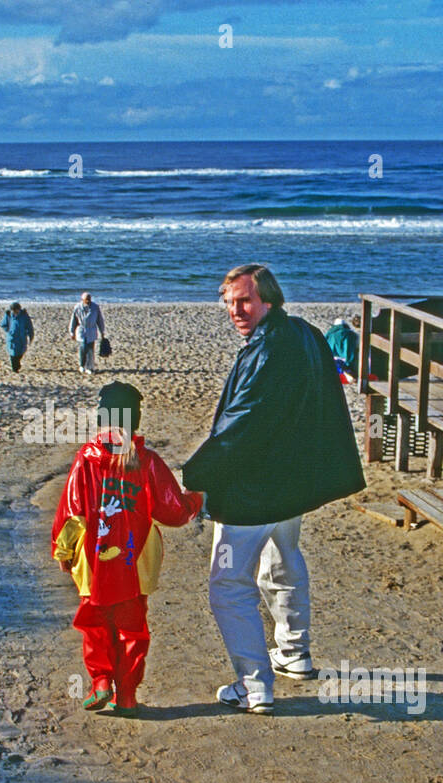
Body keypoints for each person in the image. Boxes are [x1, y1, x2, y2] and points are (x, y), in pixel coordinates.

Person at [182, 264, 365, 714]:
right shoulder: (302, 332)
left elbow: (244, 423)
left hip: (256, 488)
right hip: (291, 482)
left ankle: (254, 685)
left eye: (244, 301)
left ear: (268, 299)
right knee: (282, 559)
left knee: (228, 584)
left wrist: (197, 476)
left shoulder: (268, 350)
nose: (235, 311)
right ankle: (295, 653)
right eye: (229, 302)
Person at [52, 382, 203, 717]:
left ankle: (101, 682)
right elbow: (172, 510)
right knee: (132, 627)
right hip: (135, 566)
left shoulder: (87, 460)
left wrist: (64, 553)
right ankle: (129, 695)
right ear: (135, 421)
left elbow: (72, 513)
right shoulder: (146, 461)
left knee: (95, 621)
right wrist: (196, 501)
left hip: (94, 564)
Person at [68, 292, 106, 374]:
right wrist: (72, 332)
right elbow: (73, 320)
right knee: (82, 347)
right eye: (86, 300)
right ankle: (82, 365)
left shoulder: (95, 307)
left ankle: (90, 367)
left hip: (91, 330)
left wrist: (102, 331)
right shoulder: (77, 307)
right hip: (81, 330)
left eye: (89, 299)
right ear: (82, 300)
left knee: (90, 350)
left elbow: (100, 320)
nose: (88, 301)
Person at [0, 301, 34, 373]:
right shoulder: (8, 315)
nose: (14, 312)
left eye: (16, 310)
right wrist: (9, 331)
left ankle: (17, 365)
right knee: (13, 354)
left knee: (20, 353)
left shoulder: (24, 316)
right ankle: (15, 369)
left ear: (19, 309)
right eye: (13, 310)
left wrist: (31, 336)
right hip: (12, 338)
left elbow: (29, 327)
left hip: (21, 338)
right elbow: (3, 324)